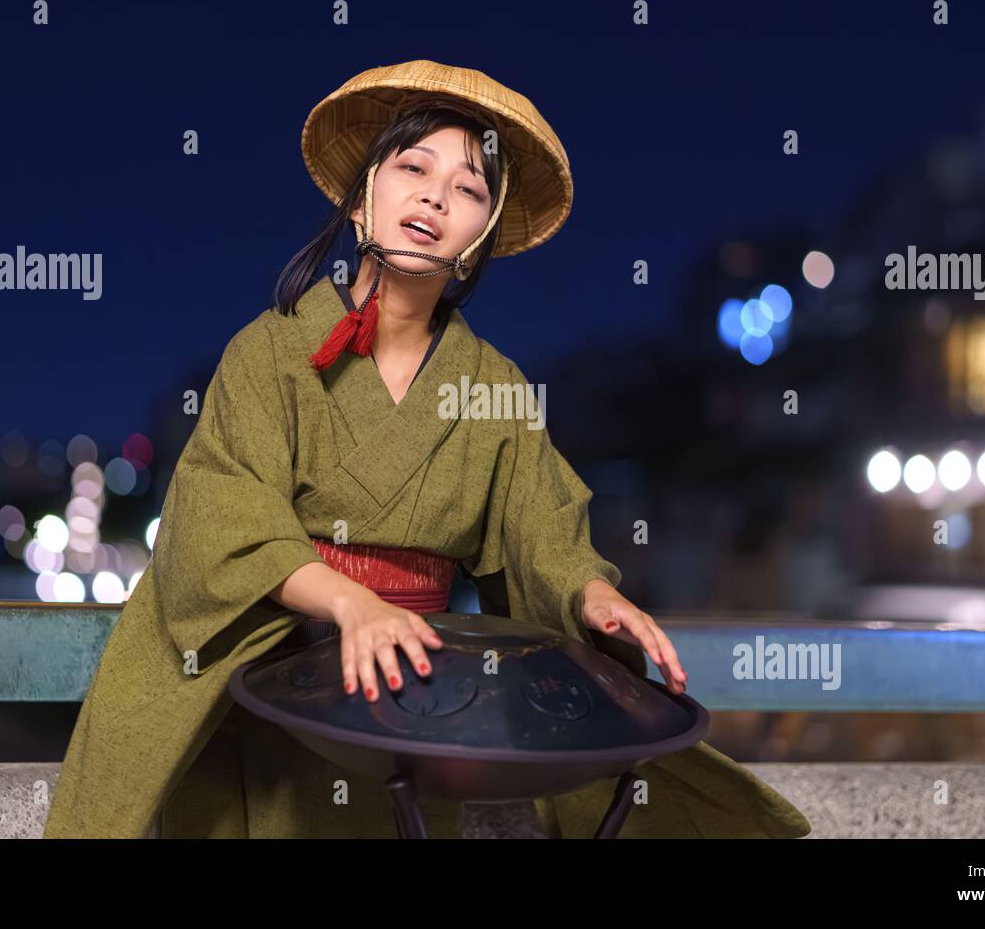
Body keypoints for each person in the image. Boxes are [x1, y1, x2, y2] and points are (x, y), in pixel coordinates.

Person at [42, 59, 812, 839]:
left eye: (469, 189)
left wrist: (588, 593)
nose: (436, 196)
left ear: (477, 240)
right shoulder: (267, 352)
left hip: (415, 697)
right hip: (271, 679)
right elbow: (220, 511)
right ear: (364, 196)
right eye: (414, 166)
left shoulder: (495, 384)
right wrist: (349, 602)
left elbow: (536, 525)